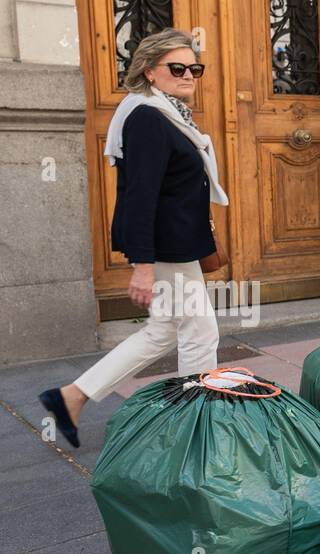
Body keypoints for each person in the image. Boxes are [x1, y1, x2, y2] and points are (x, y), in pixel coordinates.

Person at [40, 28, 228, 448]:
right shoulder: (146, 116)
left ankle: (70, 397)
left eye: (194, 68)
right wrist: (143, 267)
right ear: (148, 72)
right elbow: (140, 196)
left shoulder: (168, 112)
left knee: (162, 331)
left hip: (175, 243)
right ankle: (198, 426)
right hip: (167, 247)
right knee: (200, 333)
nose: (188, 75)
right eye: (176, 68)